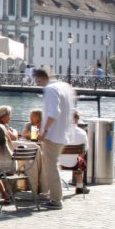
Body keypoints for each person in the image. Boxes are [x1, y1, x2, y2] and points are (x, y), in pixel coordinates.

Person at [35, 68, 77, 209]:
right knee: (54, 165)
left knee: (51, 167)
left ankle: (55, 199)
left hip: (52, 135)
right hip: (63, 133)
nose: (37, 83)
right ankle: (55, 195)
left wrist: (44, 131)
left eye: (37, 80)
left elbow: (53, 112)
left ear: (41, 78)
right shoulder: (64, 87)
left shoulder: (50, 89)